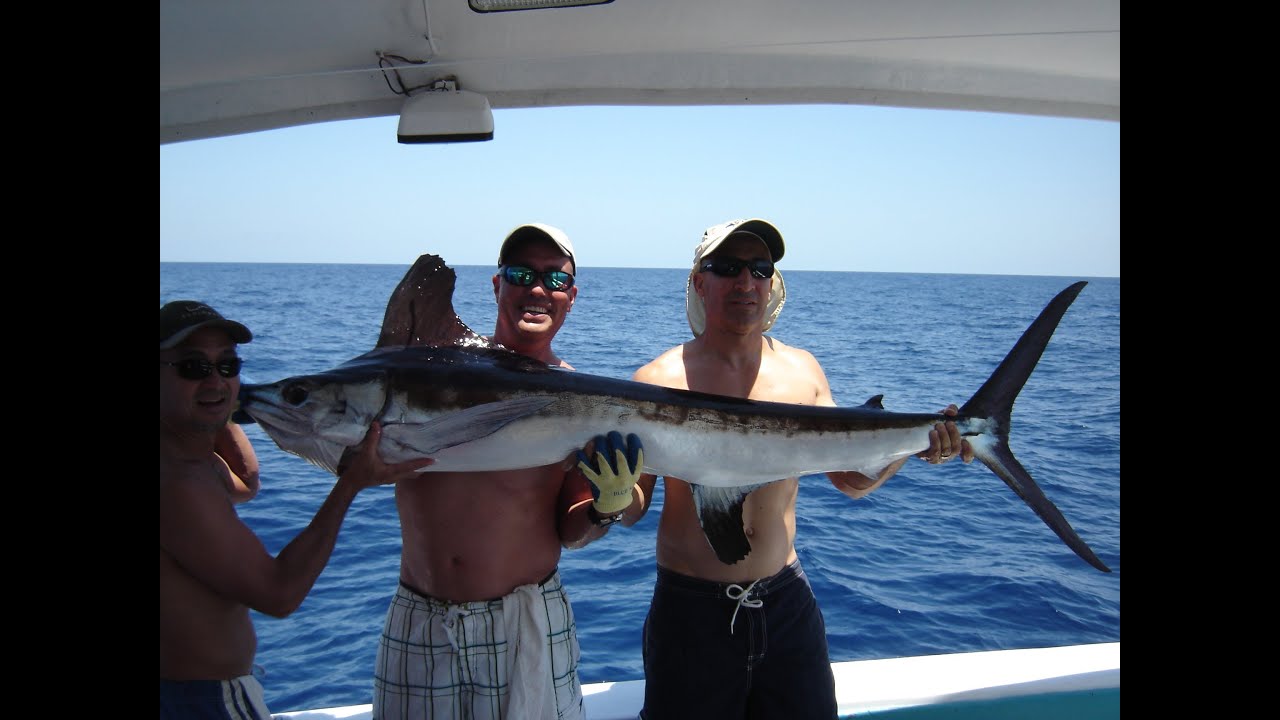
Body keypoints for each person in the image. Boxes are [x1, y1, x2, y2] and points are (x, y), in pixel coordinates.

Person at [624, 219, 974, 719]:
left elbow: (852, 480)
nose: (744, 282)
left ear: (771, 283)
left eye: (759, 269)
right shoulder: (657, 380)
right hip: (691, 613)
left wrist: (918, 446)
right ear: (700, 282)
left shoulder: (803, 371)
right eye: (726, 268)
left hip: (786, 607)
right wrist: (611, 498)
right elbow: (634, 504)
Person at [372, 223, 646, 720]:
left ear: (572, 297)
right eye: (521, 274)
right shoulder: (426, 371)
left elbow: (570, 529)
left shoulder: (581, 402)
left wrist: (607, 508)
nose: (537, 290)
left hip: (528, 624)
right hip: (420, 621)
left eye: (554, 279)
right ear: (498, 285)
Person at [160, 300, 436, 720]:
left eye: (228, 365)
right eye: (193, 368)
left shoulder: (195, 461)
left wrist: (224, 401)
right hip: (200, 702)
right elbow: (279, 594)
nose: (215, 378)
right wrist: (351, 484)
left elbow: (245, 483)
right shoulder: (177, 483)